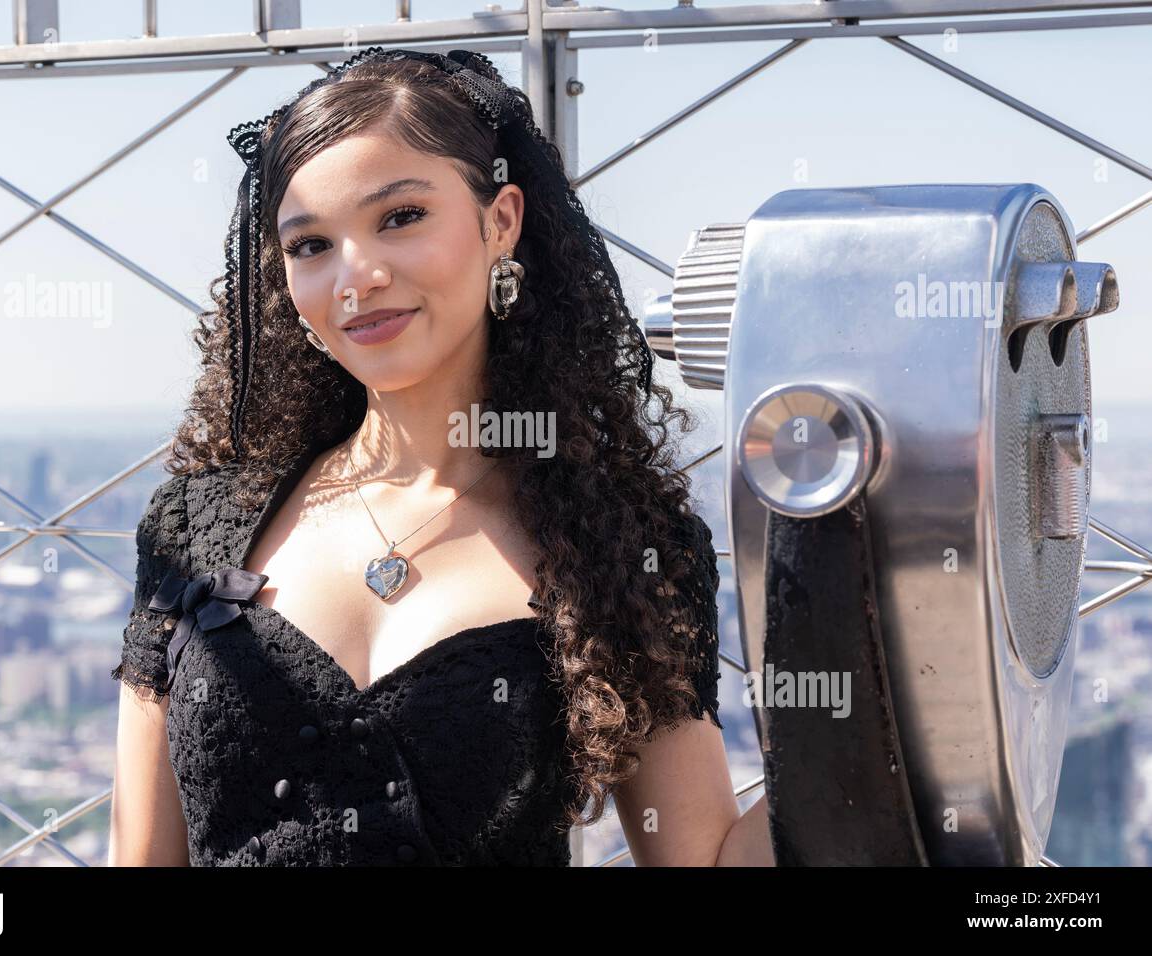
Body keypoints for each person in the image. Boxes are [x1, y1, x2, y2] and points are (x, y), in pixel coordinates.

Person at [108, 47, 772, 866]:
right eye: (310, 245)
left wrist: (883, 674)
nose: (356, 278)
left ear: (502, 222)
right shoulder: (194, 526)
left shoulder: (620, 544)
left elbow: (701, 857)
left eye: (400, 217)